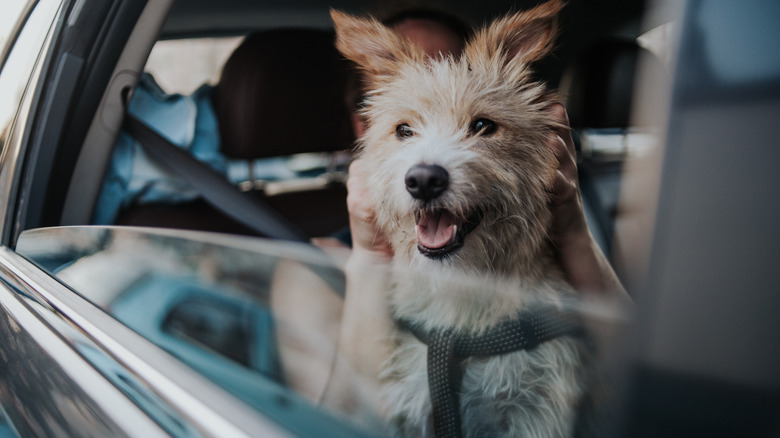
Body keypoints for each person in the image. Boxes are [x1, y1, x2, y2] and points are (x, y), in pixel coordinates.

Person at [329, 8, 630, 415]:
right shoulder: (312, 261)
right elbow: (342, 415)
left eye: (481, 126)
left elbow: (640, 380)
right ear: (365, 129)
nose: (427, 165)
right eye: (405, 129)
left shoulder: (554, 239)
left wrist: (571, 227)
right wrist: (368, 254)